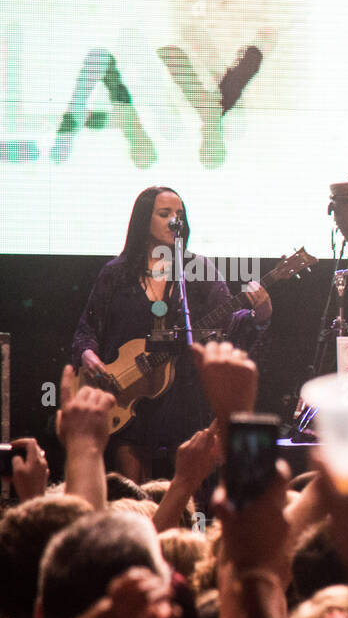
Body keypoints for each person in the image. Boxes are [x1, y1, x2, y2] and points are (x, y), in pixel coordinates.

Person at [71, 186, 272, 480]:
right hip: (127, 397)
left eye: (179, 214)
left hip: (183, 398)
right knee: (133, 493)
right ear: (144, 220)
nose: (173, 221)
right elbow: (86, 329)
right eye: (164, 214)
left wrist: (260, 314)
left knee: (185, 492)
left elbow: (228, 324)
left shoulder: (198, 269)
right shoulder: (115, 273)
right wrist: (88, 356)